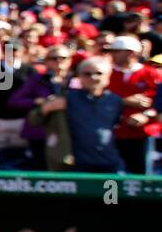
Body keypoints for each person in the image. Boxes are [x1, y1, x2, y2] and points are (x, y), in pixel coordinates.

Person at [38, 56, 125, 173]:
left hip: (109, 161)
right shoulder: (68, 98)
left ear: (108, 76)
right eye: (87, 74)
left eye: (99, 73)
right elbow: (34, 120)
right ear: (79, 77)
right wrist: (46, 108)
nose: (93, 77)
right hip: (77, 163)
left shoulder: (115, 100)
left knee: (113, 190)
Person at [104, 35, 160, 174]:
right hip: (112, 133)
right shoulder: (105, 72)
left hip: (143, 134)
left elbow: (158, 102)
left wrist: (146, 115)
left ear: (131, 53)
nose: (112, 54)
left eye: (117, 51)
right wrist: (123, 101)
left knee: (143, 174)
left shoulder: (151, 73)